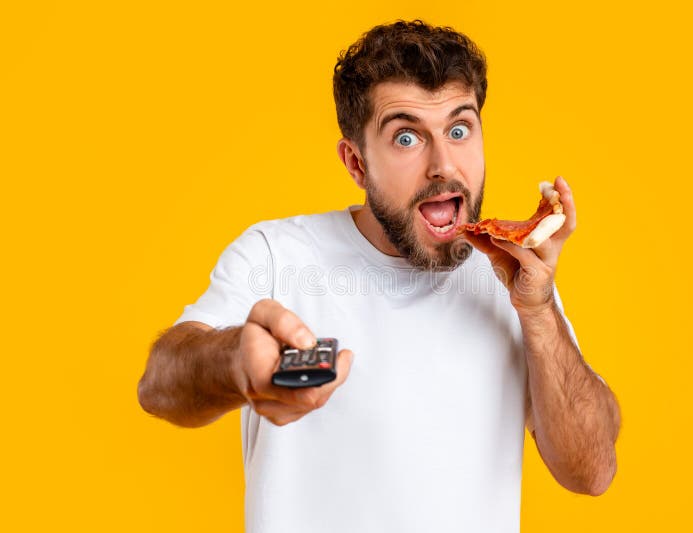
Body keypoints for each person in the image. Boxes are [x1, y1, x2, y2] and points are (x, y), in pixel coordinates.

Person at [138, 19, 621, 533]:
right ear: (356, 162)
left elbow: (591, 472)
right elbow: (159, 385)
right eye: (407, 137)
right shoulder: (277, 256)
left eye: (460, 130)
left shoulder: (513, 277)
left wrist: (539, 309)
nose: (444, 165)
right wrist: (236, 360)